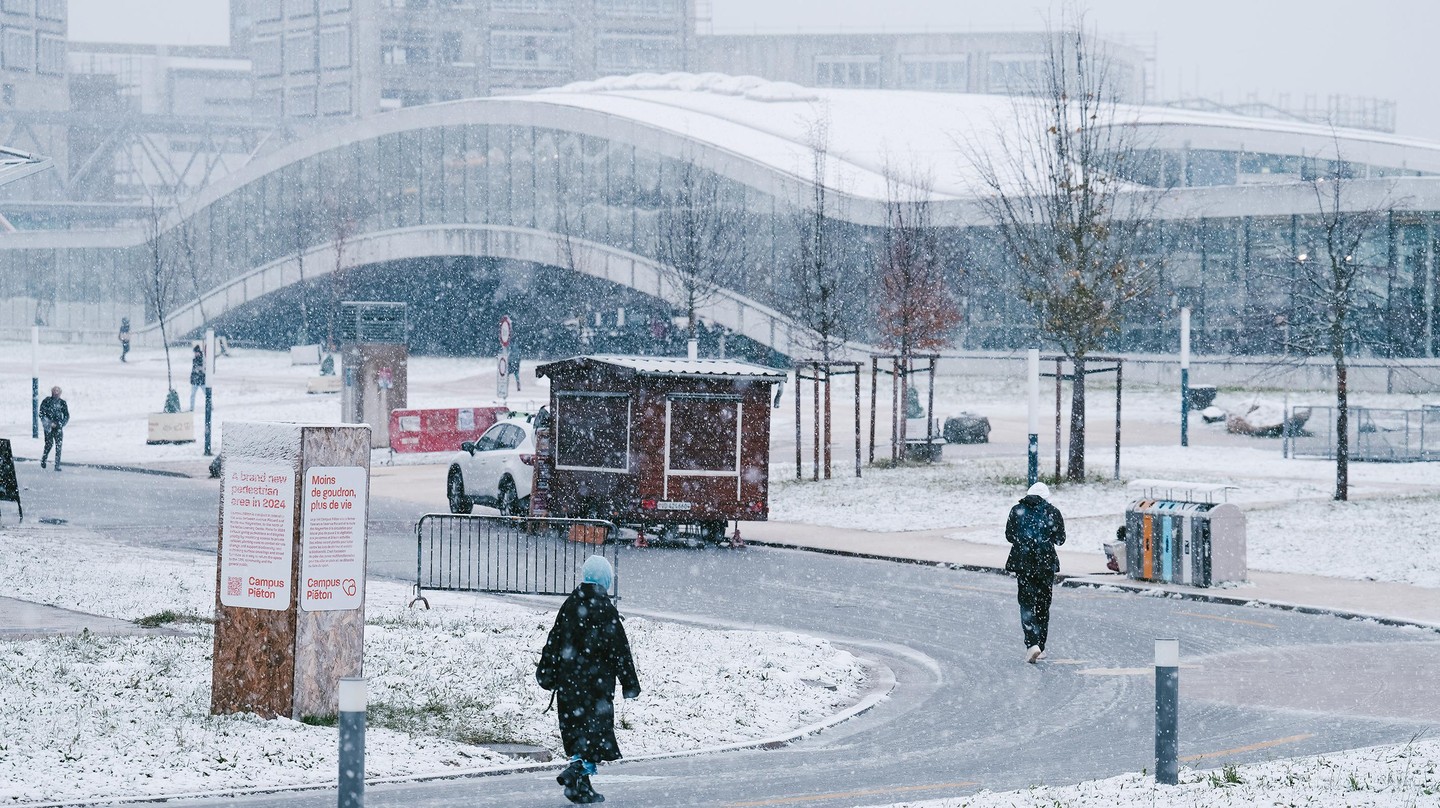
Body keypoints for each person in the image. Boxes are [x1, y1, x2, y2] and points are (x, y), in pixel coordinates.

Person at [536, 555, 640, 804]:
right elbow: (620, 651)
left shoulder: (570, 605)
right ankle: (575, 773)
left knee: (577, 735)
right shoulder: (606, 609)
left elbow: (554, 640)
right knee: (595, 738)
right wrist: (629, 683)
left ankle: (579, 788)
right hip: (596, 689)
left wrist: (547, 672)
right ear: (606, 580)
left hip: (569, 687)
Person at [1005, 482, 1066, 664]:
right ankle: (1041, 645)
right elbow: (1061, 539)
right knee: (1043, 604)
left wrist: (1024, 541)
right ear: (1046, 497)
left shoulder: (1016, 510)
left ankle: (1032, 643)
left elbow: (1009, 535)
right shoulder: (1052, 512)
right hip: (1045, 564)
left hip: (1024, 564)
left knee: (1026, 604)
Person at [38, 386, 68, 472]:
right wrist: (48, 423)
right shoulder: (46, 401)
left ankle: (57, 465)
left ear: (60, 393)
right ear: (52, 392)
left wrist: (60, 424)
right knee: (49, 444)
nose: (56, 392)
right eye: (55, 391)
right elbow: (41, 413)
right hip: (48, 427)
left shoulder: (62, 403)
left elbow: (66, 415)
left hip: (58, 427)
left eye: (58, 391)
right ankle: (44, 459)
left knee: (59, 446)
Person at [188, 344, 206, 412]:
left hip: (201, 380)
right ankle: (191, 408)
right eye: (194, 352)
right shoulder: (194, 359)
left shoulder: (202, 358)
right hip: (195, 380)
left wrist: (199, 370)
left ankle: (210, 406)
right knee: (192, 395)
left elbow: (203, 369)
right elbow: (193, 370)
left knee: (206, 394)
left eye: (195, 352)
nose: (195, 354)